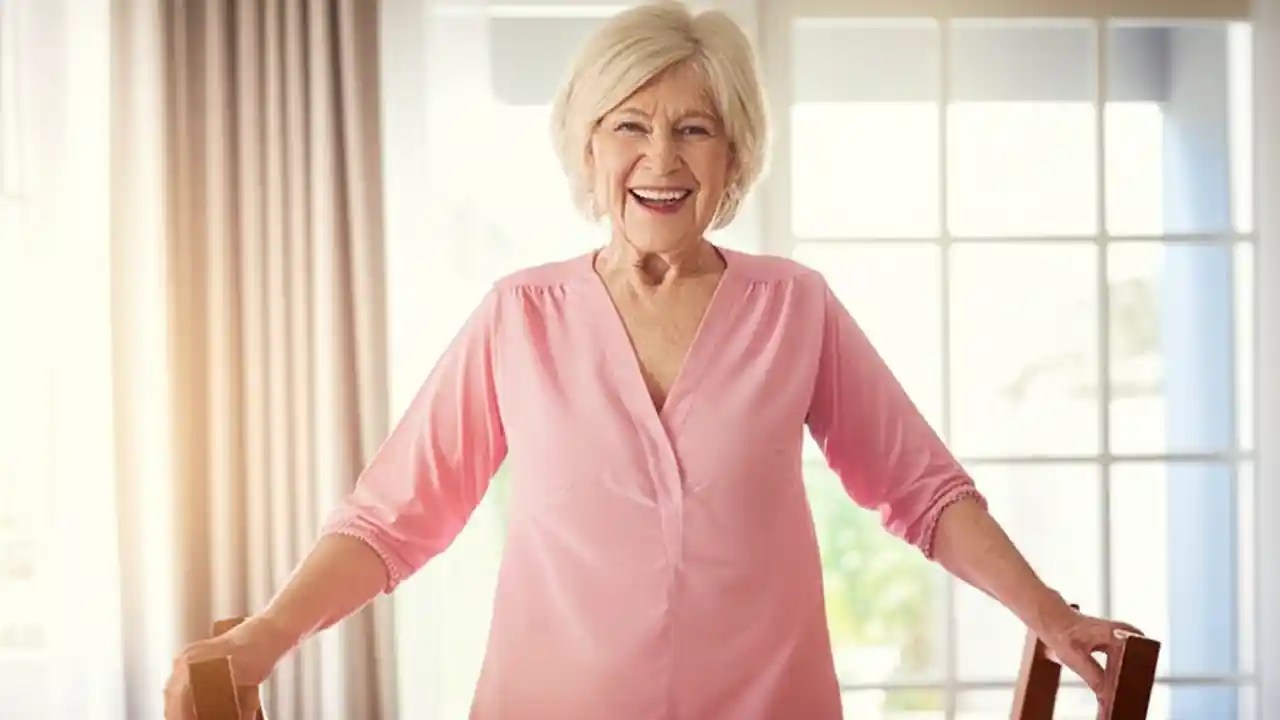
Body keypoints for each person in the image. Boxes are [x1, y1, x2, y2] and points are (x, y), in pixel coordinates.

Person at [164, 2, 1142, 718]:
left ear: (733, 155)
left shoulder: (792, 308)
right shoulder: (520, 315)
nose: (660, 160)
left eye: (692, 129)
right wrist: (266, 636)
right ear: (588, 151)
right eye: (628, 126)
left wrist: (1048, 613)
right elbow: (391, 520)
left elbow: (920, 491)